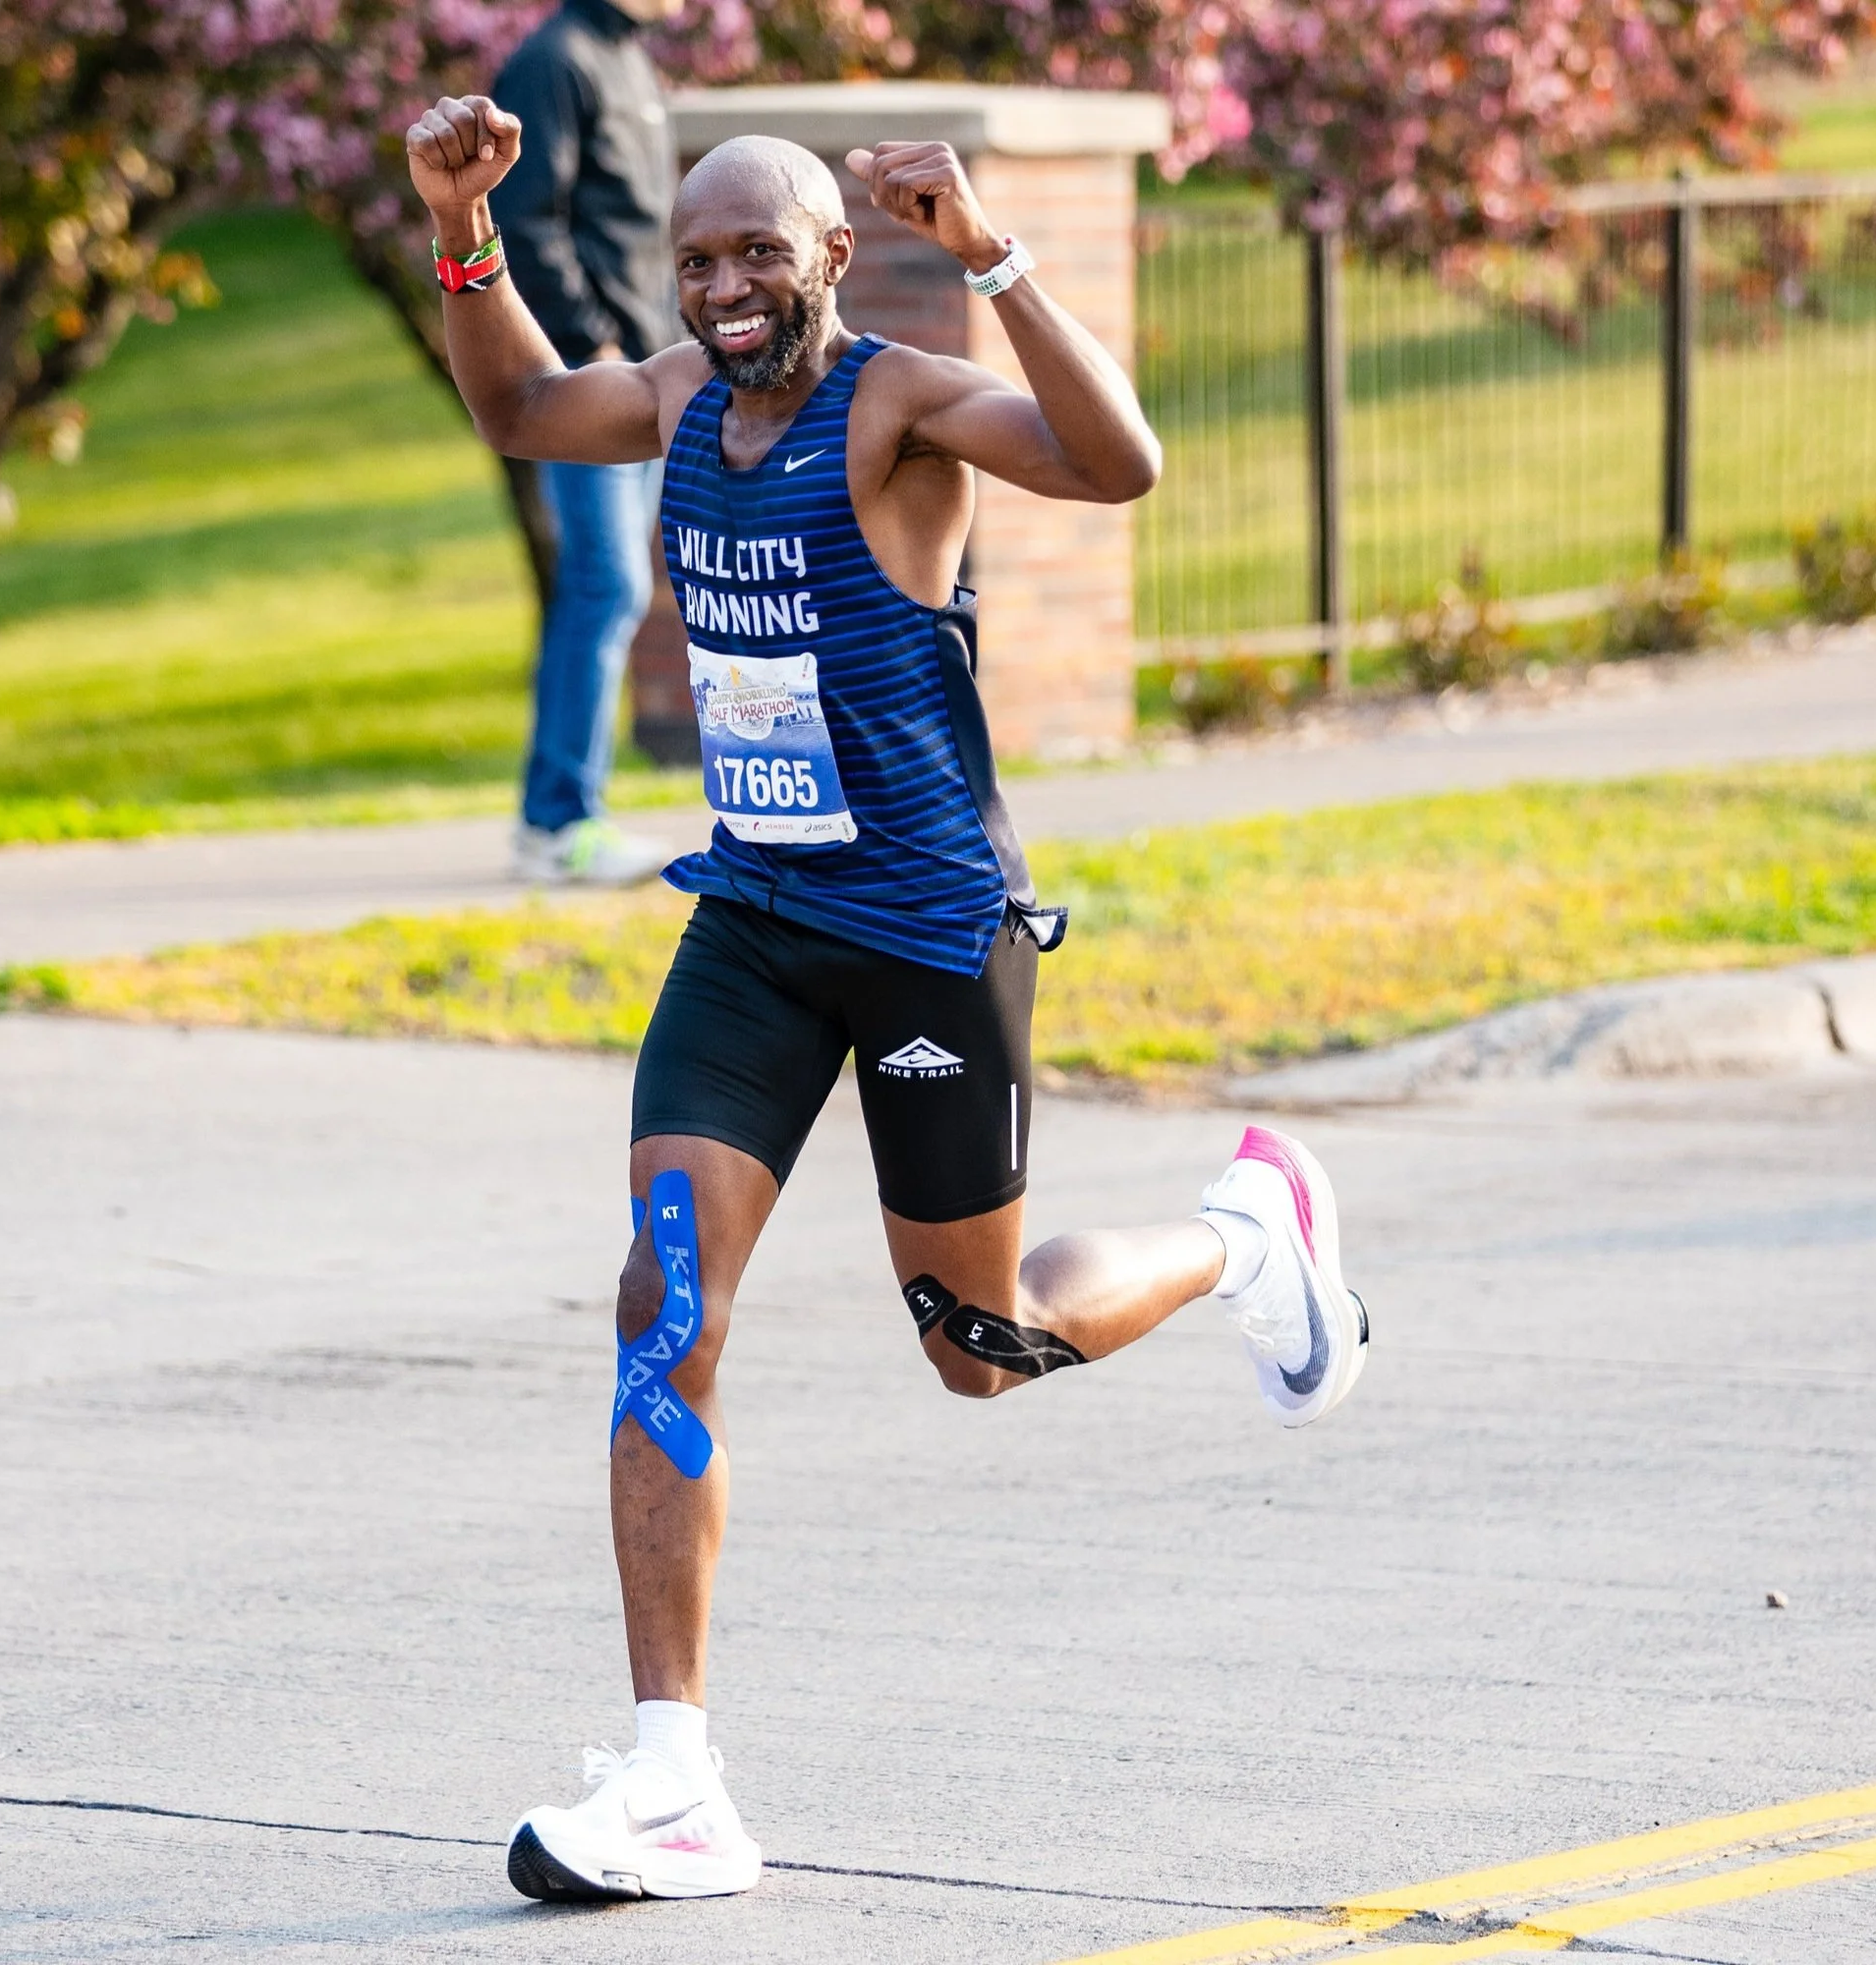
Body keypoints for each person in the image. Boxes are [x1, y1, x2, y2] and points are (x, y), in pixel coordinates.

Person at [404, 93, 1371, 1903]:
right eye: (696, 263)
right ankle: (677, 1781)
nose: (725, 288)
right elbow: (527, 410)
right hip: (756, 926)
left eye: (759, 251)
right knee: (657, 1298)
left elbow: (1121, 464)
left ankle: (1250, 1236)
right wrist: (467, 230)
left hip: (929, 931)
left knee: (977, 1346)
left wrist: (994, 254)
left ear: (837, 255)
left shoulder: (909, 398)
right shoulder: (686, 398)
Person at [488, 0, 683, 886]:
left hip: (648, 382)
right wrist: (591, 344)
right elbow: (525, 221)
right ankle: (560, 823)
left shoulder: (630, 62)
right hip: (591, 382)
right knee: (607, 583)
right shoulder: (553, 62)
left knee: (616, 587)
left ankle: (559, 818)